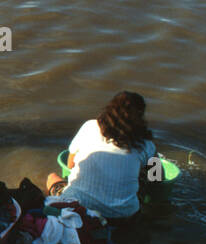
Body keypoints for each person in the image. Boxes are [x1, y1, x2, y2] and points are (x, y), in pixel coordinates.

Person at [45, 91, 158, 219]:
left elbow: (70, 165)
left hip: (79, 207)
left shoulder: (89, 126)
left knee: (52, 177)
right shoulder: (147, 144)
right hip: (123, 215)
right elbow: (157, 177)